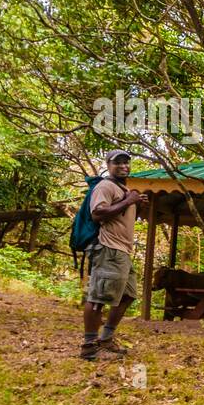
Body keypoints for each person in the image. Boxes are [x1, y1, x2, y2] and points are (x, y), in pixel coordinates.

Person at [81, 150, 149, 360]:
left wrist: (136, 204)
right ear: (108, 165)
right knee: (98, 298)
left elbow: (121, 217)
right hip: (108, 249)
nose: (123, 166)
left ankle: (106, 338)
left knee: (128, 295)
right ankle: (89, 347)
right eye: (118, 162)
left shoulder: (124, 189)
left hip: (123, 251)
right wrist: (129, 201)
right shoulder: (105, 186)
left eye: (126, 162)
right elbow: (98, 214)